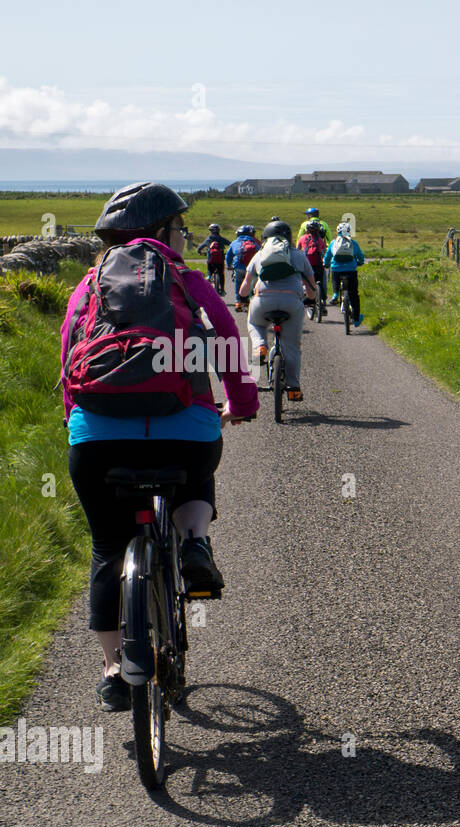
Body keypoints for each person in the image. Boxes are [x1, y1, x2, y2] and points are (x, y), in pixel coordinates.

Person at [60, 182, 257, 711]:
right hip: (184, 431)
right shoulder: (186, 278)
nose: (185, 236)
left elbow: (67, 351)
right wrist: (241, 403)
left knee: (107, 548)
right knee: (196, 463)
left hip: (99, 439)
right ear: (163, 231)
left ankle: (112, 671)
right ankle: (194, 541)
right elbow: (227, 336)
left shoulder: (91, 283)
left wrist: (75, 420)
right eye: (180, 227)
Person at [239, 220, 317, 402]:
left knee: (254, 323)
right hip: (292, 303)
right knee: (291, 347)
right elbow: (311, 286)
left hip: (263, 301)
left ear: (265, 237)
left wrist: (243, 298)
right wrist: (311, 299)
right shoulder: (298, 255)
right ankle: (293, 389)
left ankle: (260, 347)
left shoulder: (260, 255)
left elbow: (244, 287)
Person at [325, 222, 365, 326]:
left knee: (335, 278)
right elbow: (360, 256)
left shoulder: (333, 243)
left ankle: (335, 294)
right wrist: (360, 262)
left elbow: (328, 255)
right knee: (354, 294)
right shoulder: (353, 243)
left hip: (336, 269)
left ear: (337, 231)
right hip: (351, 270)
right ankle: (356, 320)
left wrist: (326, 263)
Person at [297, 219, 328, 317]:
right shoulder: (320, 240)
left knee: (304, 282)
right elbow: (324, 252)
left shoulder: (302, 239)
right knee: (322, 282)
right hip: (318, 265)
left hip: (306, 265)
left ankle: (305, 296)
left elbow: (297, 251)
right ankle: (322, 302)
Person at [226, 225, 261, 311]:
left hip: (239, 266)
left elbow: (228, 256)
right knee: (252, 283)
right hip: (251, 268)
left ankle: (238, 302)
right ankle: (250, 299)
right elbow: (260, 254)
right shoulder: (254, 243)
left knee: (238, 282)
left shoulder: (234, 243)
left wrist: (228, 265)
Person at [196, 223, 231, 294]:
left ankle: (209, 276)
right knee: (221, 274)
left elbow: (199, 248)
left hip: (210, 260)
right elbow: (231, 244)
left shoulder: (208, 239)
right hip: (220, 260)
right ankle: (223, 290)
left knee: (209, 270)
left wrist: (200, 252)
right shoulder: (221, 239)